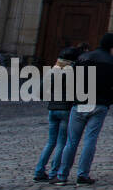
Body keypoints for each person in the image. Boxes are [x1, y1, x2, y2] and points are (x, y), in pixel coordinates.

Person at [53, 33, 113, 185]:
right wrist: (107, 101)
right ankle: (83, 175)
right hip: (99, 105)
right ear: (112, 45)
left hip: (81, 102)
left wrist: (74, 97)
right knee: (90, 141)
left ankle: (62, 175)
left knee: (71, 141)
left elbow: (70, 79)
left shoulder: (84, 58)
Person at [34, 46, 82, 182]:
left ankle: (39, 171)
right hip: (66, 109)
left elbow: (41, 92)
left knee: (50, 142)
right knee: (62, 142)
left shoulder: (53, 71)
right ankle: (54, 172)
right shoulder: (73, 72)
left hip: (52, 108)